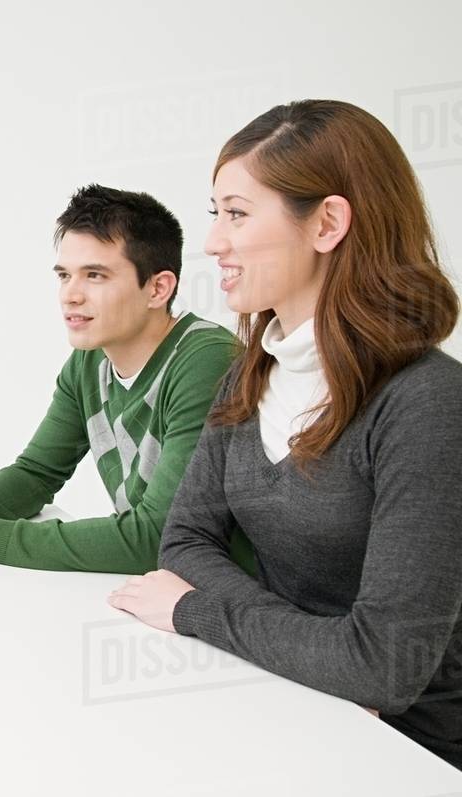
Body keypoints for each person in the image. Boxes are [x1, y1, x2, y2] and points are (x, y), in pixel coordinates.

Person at [108, 100, 462, 769]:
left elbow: (385, 669)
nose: (212, 242)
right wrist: (323, 654)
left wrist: (194, 612)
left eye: (237, 213)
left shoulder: (428, 404)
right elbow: (183, 539)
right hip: (298, 704)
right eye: (216, 214)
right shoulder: (249, 375)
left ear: (326, 222)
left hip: (414, 754)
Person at [0, 185, 253, 574]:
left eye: (94, 275)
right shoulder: (89, 361)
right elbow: (37, 474)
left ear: (158, 288)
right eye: (64, 275)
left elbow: (157, 537)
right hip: (161, 595)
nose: (70, 295)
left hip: (229, 598)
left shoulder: (206, 360)